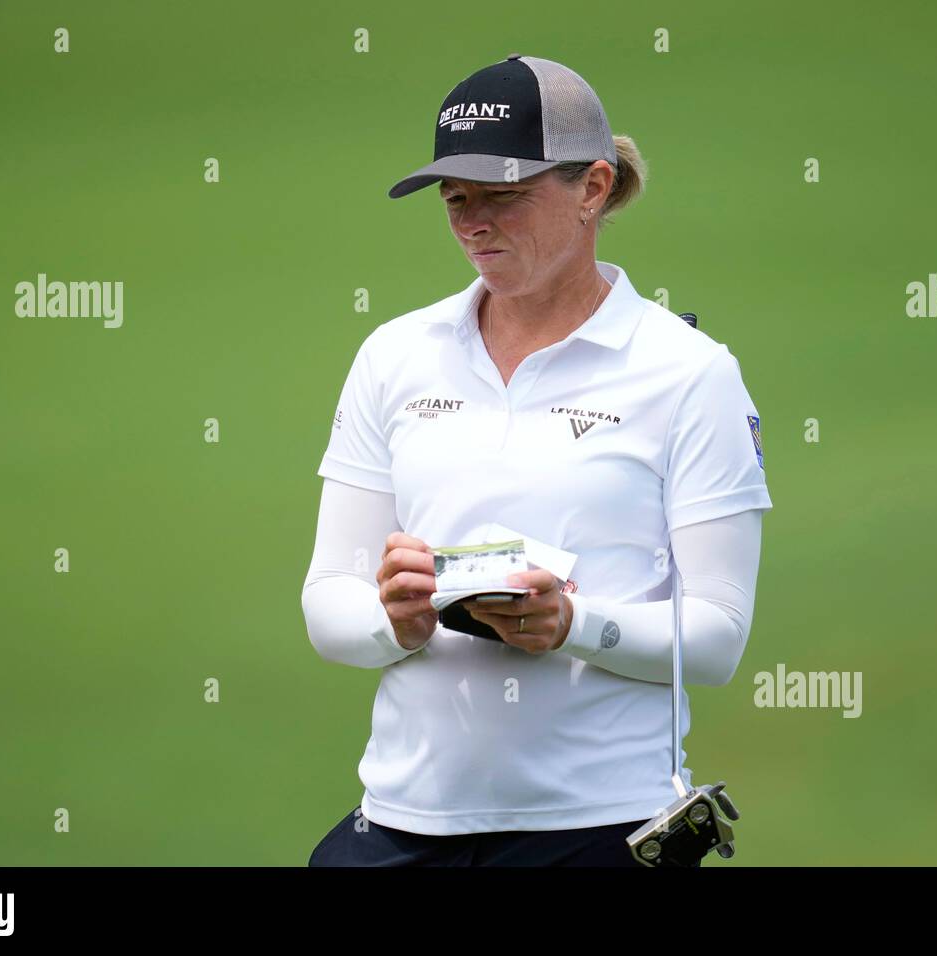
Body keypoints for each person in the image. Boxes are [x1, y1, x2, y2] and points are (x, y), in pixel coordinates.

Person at [302, 54, 773, 866]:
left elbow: (718, 637)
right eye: (456, 200)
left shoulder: (689, 371)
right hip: (400, 823)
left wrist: (572, 625)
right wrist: (396, 621)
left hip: (599, 826)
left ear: (592, 188)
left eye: (504, 197)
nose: (474, 223)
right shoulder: (394, 355)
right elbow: (327, 600)